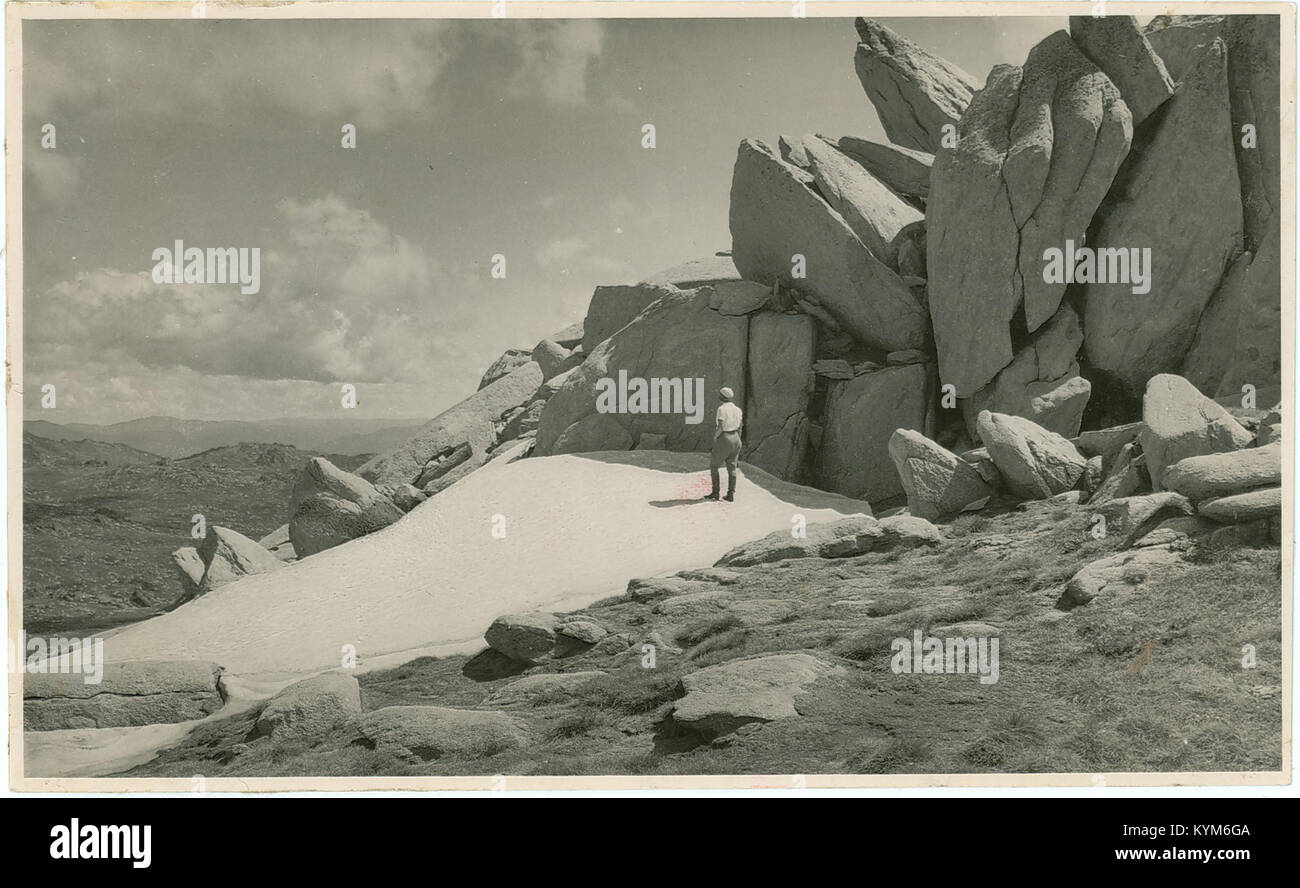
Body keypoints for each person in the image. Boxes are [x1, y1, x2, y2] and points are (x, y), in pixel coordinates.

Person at [707, 386, 743, 502]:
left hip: (725, 438)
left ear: (721, 397)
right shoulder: (738, 410)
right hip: (736, 438)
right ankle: (730, 494)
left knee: (714, 466)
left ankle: (715, 493)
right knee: (732, 467)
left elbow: (721, 426)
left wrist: (716, 437)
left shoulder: (722, 409)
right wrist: (738, 439)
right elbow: (740, 426)